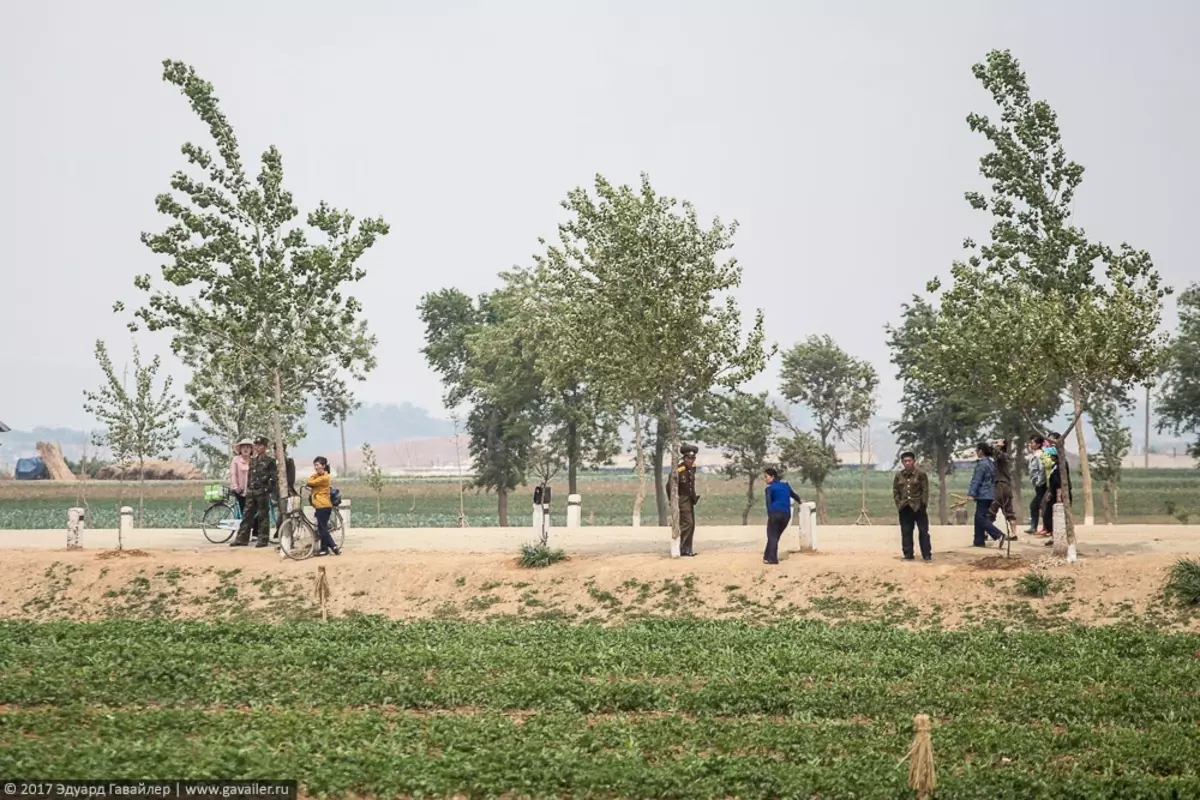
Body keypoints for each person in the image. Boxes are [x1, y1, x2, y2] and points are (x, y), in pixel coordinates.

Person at [231, 437, 277, 548]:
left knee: (263, 516)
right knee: (247, 515)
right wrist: (248, 489)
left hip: (262, 492)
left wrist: (267, 489)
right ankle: (242, 539)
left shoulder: (270, 461)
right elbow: (250, 476)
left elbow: (273, 477)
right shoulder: (253, 460)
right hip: (251, 491)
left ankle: (262, 539)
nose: (257, 447)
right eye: (256, 445)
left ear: (265, 447)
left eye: (260, 445)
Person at [892, 451, 931, 562]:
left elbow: (925, 490)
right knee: (906, 531)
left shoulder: (921, 474)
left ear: (914, 461)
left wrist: (923, 504)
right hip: (905, 507)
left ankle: (927, 554)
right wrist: (899, 504)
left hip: (918, 506)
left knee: (923, 531)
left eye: (909, 461)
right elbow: (895, 491)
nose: (907, 463)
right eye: (905, 461)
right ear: (902, 462)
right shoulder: (899, 475)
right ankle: (908, 554)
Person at [966, 441, 1007, 547]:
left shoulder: (982, 464)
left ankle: (998, 535)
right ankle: (978, 541)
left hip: (983, 494)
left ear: (981, 451)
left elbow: (977, 480)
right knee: (979, 516)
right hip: (990, 494)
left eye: (977, 450)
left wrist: (971, 493)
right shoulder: (991, 463)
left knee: (981, 518)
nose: (976, 452)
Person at [666, 444, 700, 556]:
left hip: (689, 500)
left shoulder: (692, 468)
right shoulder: (679, 470)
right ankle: (680, 548)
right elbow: (669, 486)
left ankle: (687, 549)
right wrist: (673, 501)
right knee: (687, 523)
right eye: (688, 458)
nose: (690, 460)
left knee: (691, 524)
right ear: (684, 458)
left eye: (692, 458)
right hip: (681, 499)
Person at [762, 467, 801, 565]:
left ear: (772, 477)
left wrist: (770, 515)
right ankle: (767, 556)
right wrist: (800, 501)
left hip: (775, 513)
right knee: (775, 536)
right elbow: (794, 495)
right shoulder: (785, 485)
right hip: (786, 515)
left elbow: (768, 503)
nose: (765, 479)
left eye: (766, 476)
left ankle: (772, 559)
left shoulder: (769, 488)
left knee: (772, 536)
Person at [987, 439, 1019, 540]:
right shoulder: (1005, 458)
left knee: (991, 511)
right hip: (1006, 487)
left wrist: (996, 446)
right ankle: (1014, 534)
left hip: (1000, 486)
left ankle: (985, 533)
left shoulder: (1003, 457)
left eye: (998, 443)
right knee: (1009, 511)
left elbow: (996, 452)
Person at [307, 456, 340, 556]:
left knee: (322, 529)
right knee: (322, 528)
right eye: (315, 465)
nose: (316, 467)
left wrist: (315, 475)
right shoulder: (320, 476)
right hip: (319, 505)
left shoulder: (324, 477)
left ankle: (334, 546)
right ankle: (324, 549)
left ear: (324, 466)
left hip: (323, 506)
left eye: (318, 465)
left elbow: (310, 482)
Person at [1025, 435, 1046, 534]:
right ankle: (1039, 527)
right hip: (1037, 485)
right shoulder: (1034, 455)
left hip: (1041, 485)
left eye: (1032, 443)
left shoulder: (1039, 455)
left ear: (1038, 444)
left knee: (1035, 505)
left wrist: (1039, 482)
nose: (1030, 444)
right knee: (1039, 505)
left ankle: (1036, 527)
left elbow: (1042, 469)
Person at [228, 438, 253, 516]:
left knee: (254, 512)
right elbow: (233, 474)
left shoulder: (253, 461)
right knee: (245, 512)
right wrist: (236, 487)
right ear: (240, 449)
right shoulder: (236, 460)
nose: (245, 449)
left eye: (248, 447)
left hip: (251, 491)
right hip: (240, 491)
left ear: (251, 449)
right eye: (243, 447)